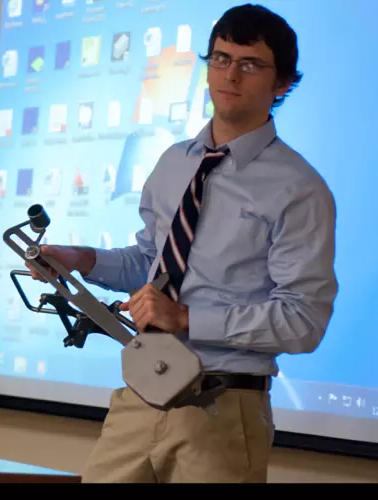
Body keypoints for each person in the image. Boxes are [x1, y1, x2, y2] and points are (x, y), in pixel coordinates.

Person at [27, 3, 338, 483]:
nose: (230, 74)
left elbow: (304, 321)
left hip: (223, 407)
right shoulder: (174, 162)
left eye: (250, 63)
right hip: (142, 392)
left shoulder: (299, 188)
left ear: (282, 84)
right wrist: (80, 260)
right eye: (220, 59)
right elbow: (152, 261)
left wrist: (188, 318)